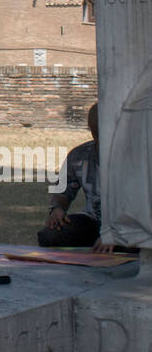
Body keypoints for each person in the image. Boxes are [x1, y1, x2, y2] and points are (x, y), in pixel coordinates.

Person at [39, 102, 108, 249]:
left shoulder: (137, 158)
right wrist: (57, 209)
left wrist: (116, 233)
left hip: (130, 226)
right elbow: (63, 190)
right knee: (49, 236)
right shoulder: (79, 155)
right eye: (97, 134)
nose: (101, 140)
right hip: (93, 220)